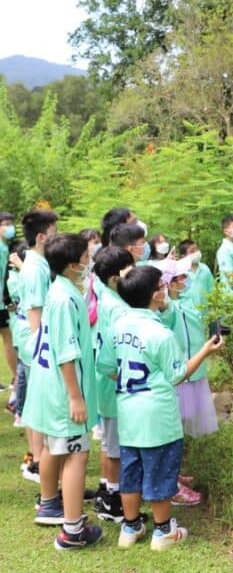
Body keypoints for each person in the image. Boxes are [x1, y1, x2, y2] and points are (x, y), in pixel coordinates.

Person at [100, 265, 224, 550]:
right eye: (162, 285)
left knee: (130, 473)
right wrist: (206, 349)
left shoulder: (116, 327)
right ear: (155, 294)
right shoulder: (160, 333)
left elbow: (106, 366)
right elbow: (178, 374)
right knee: (160, 472)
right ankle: (163, 531)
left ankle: (130, 528)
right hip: (158, 417)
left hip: (128, 413)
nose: (165, 288)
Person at [22, 232, 101, 548]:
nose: (89, 258)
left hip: (47, 387)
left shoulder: (58, 289)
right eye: (85, 255)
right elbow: (67, 354)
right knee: (76, 454)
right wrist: (75, 396)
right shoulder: (66, 299)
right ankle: (72, 530)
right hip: (62, 392)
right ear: (72, 264)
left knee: (54, 448)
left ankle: (49, 502)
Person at [154, 258, 215, 506]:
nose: (186, 281)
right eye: (179, 278)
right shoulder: (165, 308)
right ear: (167, 283)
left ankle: (174, 476)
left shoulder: (186, 301)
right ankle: (172, 486)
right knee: (172, 430)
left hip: (194, 372)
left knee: (178, 430)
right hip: (179, 373)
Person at [89, 245, 136, 523]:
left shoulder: (103, 294)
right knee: (116, 447)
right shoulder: (117, 307)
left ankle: (107, 492)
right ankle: (116, 500)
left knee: (108, 443)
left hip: (103, 384)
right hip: (113, 383)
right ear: (117, 277)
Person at [18, 208, 58, 485]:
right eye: (55, 232)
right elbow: (35, 315)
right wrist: (45, 351)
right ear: (42, 237)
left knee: (37, 403)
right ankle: (39, 461)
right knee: (39, 404)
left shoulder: (41, 263)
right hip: (36, 343)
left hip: (36, 342)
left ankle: (38, 461)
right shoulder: (34, 269)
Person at [5, 240, 27, 425]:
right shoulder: (14, 278)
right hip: (23, 333)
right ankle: (18, 409)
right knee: (22, 374)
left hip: (24, 332)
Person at [0, 211, 16, 393]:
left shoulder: (7, 248)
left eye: (11, 223)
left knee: (8, 338)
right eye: (5, 223)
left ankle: (16, 377)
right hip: (1, 303)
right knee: (8, 338)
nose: (9, 227)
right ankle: (16, 378)